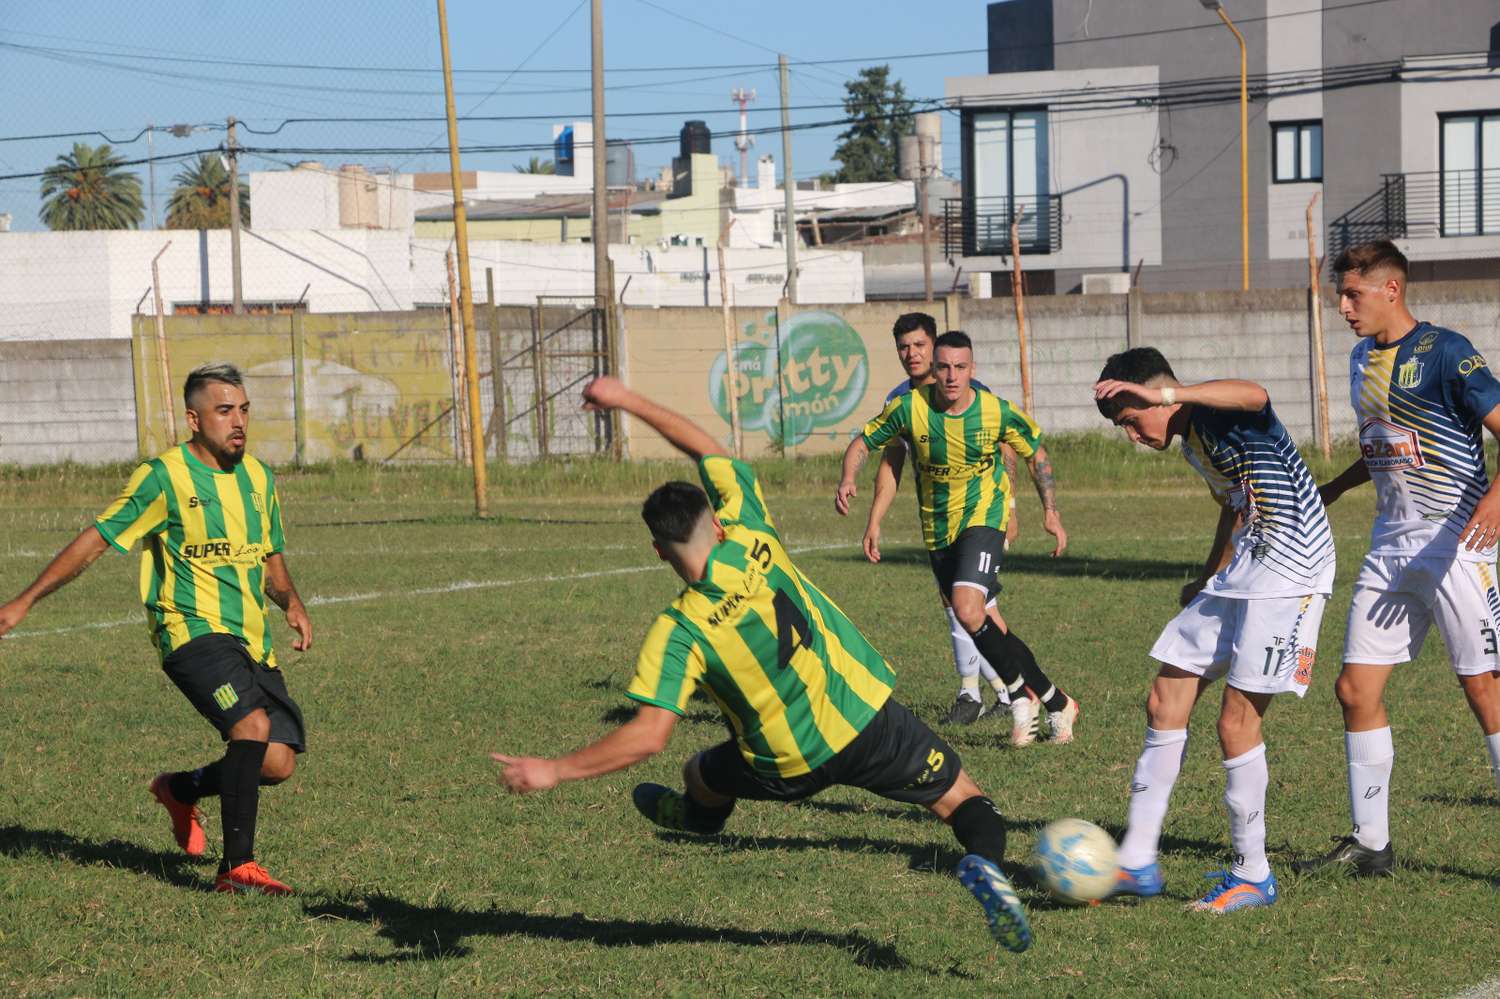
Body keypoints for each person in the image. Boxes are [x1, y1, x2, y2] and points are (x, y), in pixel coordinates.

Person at [492, 375, 1033, 953]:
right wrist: (626, 398)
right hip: (864, 716)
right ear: (717, 524)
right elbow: (707, 448)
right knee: (964, 801)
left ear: (658, 552)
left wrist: (554, 769)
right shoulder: (753, 533)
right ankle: (986, 866)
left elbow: (648, 737)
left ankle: (696, 818)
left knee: (700, 773)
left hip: (786, 763)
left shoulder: (679, 631)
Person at [0, 362, 312, 896]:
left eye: (243, 410)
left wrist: (291, 602)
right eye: (223, 411)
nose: (238, 422)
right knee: (252, 729)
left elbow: (269, 560)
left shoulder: (259, 478)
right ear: (194, 419)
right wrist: (24, 600)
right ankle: (237, 870)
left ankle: (180, 789)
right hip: (188, 631)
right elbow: (96, 539)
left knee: (277, 762)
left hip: (250, 638)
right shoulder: (162, 477)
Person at [1094, 348, 1335, 912]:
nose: (1131, 435)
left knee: (1235, 722)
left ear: (1153, 394)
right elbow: (1235, 506)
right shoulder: (1193, 445)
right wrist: (1209, 575)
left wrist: (1167, 395)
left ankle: (1253, 874)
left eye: (1131, 421)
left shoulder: (1215, 412)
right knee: (1164, 698)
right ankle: (1136, 860)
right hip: (1247, 565)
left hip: (1293, 568)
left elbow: (1256, 393)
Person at [1293, 240, 1500, 878]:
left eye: (1353, 295)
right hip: (1390, 545)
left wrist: (1495, 501)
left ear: (1392, 289)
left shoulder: (1447, 351)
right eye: (1340, 297)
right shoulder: (1361, 358)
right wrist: (1332, 488)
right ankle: (1371, 843)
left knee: (1484, 690)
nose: (1344, 308)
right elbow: (1385, 444)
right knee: (1354, 689)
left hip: (1457, 542)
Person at [836, 330, 1078, 747]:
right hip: (937, 528)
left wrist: (1050, 513)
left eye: (960, 368)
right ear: (935, 368)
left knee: (968, 609)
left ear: (972, 370)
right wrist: (848, 477)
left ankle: (1021, 696)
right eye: (944, 367)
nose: (951, 376)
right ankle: (1057, 701)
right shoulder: (908, 409)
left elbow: (1035, 453)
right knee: (986, 621)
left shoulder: (994, 412)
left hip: (983, 517)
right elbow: (865, 442)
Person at [861, 312, 1019, 725]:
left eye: (919, 345)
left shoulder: (968, 390)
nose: (912, 354)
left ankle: (992, 692)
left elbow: (1007, 447)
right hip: (938, 517)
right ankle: (1005, 690)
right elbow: (891, 464)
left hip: (982, 512)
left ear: (935, 347)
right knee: (964, 603)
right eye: (903, 347)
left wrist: (1011, 509)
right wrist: (874, 519)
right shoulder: (900, 402)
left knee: (971, 602)